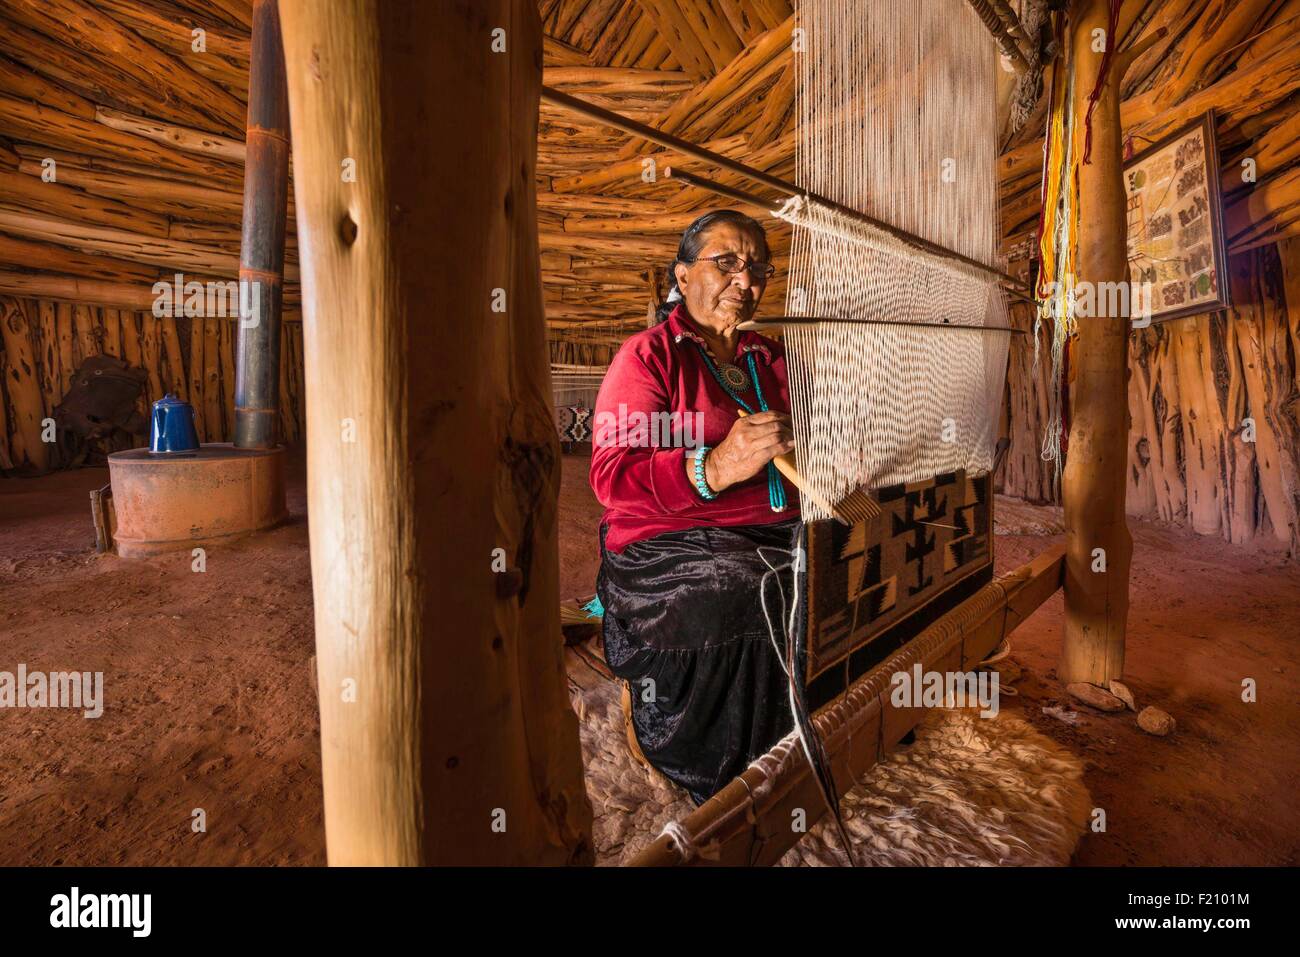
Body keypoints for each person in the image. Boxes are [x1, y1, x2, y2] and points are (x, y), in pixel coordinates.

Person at [589, 209, 800, 805]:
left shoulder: (770, 357)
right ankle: (724, 772)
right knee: (743, 587)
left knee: (833, 572)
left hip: (774, 530)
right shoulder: (650, 357)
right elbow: (610, 475)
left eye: (757, 266)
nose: (745, 278)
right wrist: (712, 467)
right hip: (666, 541)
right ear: (683, 277)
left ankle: (802, 731)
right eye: (726, 262)